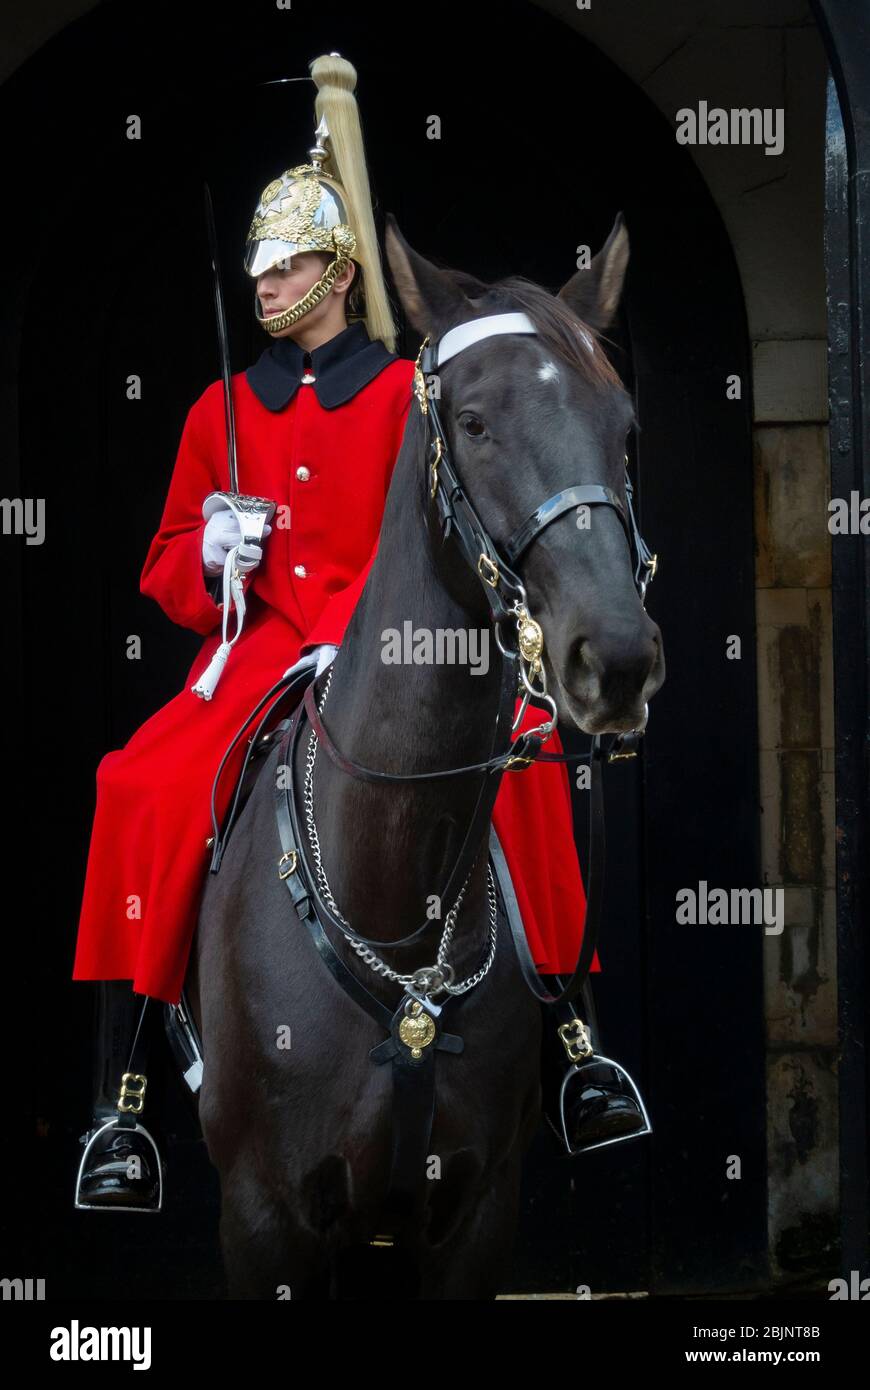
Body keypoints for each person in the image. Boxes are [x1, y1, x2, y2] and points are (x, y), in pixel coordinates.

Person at [73, 54, 645, 1212]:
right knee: (139, 784)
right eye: (259, 262)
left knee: (530, 765)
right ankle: (122, 1096)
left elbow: (452, 527)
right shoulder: (217, 411)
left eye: (287, 261)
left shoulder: (405, 393)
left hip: (389, 645)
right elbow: (166, 567)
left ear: (338, 273)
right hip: (264, 650)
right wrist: (214, 558)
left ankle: (578, 1043)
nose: (266, 280)